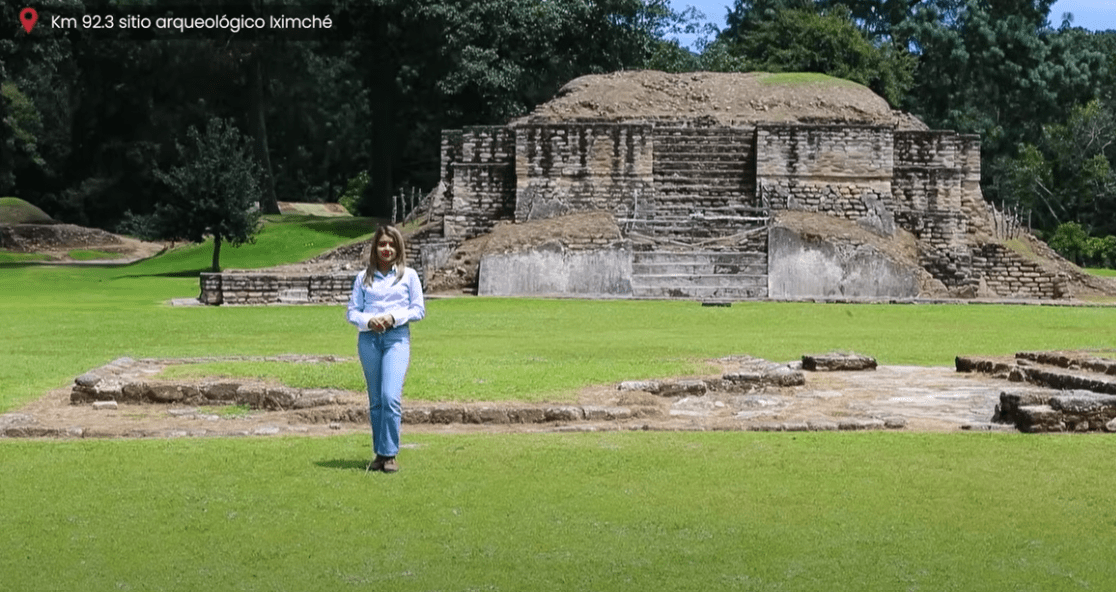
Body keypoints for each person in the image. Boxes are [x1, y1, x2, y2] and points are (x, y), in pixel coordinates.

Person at [346, 225, 425, 473]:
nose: (386, 249)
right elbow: (352, 312)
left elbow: (418, 310)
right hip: (369, 339)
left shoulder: (408, 276)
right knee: (376, 401)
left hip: (396, 338)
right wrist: (368, 321)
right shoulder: (363, 278)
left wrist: (393, 318)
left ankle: (390, 453)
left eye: (391, 244)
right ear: (375, 248)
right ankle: (380, 454)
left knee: (391, 397)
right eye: (382, 244)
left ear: (398, 248)